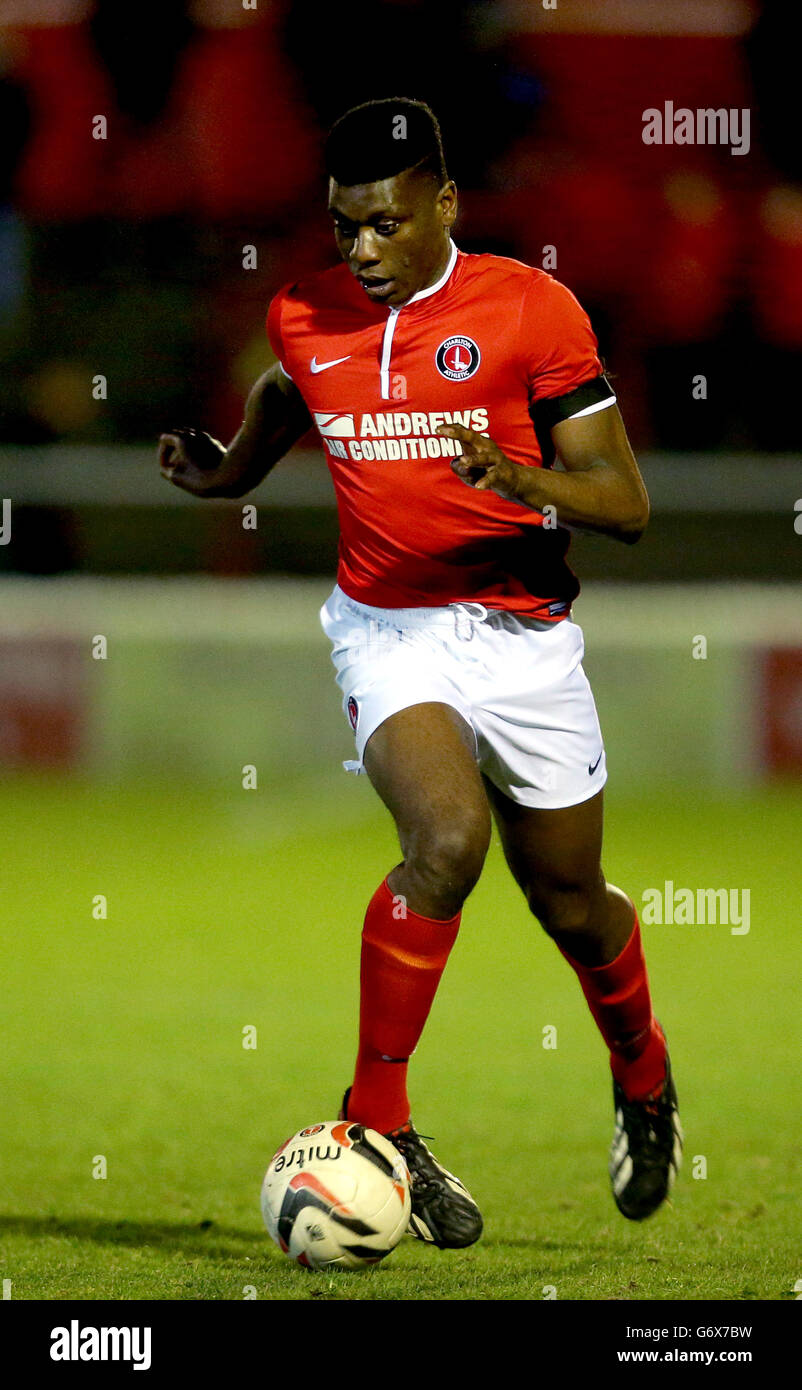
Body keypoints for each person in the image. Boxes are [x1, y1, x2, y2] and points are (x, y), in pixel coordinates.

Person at [158, 97, 682, 1251]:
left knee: (572, 907)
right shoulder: (303, 310)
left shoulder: (531, 311)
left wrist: (519, 477)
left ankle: (642, 1076)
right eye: (346, 226)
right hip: (388, 629)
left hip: (525, 636)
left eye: (387, 224)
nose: (362, 249)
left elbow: (629, 507)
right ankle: (378, 1124)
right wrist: (230, 474)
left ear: (444, 203)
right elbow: (288, 392)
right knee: (445, 843)